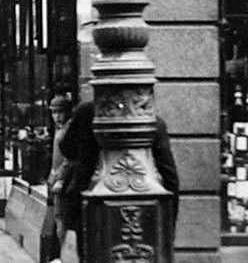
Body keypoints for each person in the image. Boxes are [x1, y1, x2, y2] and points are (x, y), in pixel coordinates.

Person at [56, 98, 179, 259]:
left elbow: (67, 148)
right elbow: (171, 178)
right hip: (142, 211)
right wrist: (169, 222)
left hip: (89, 204)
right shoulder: (154, 123)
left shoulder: (86, 113)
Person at [43, 92, 76, 263]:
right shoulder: (59, 129)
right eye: (54, 113)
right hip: (54, 181)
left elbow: (69, 158)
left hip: (64, 183)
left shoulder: (68, 129)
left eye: (60, 112)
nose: (56, 116)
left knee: (62, 220)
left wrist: (61, 179)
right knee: (57, 219)